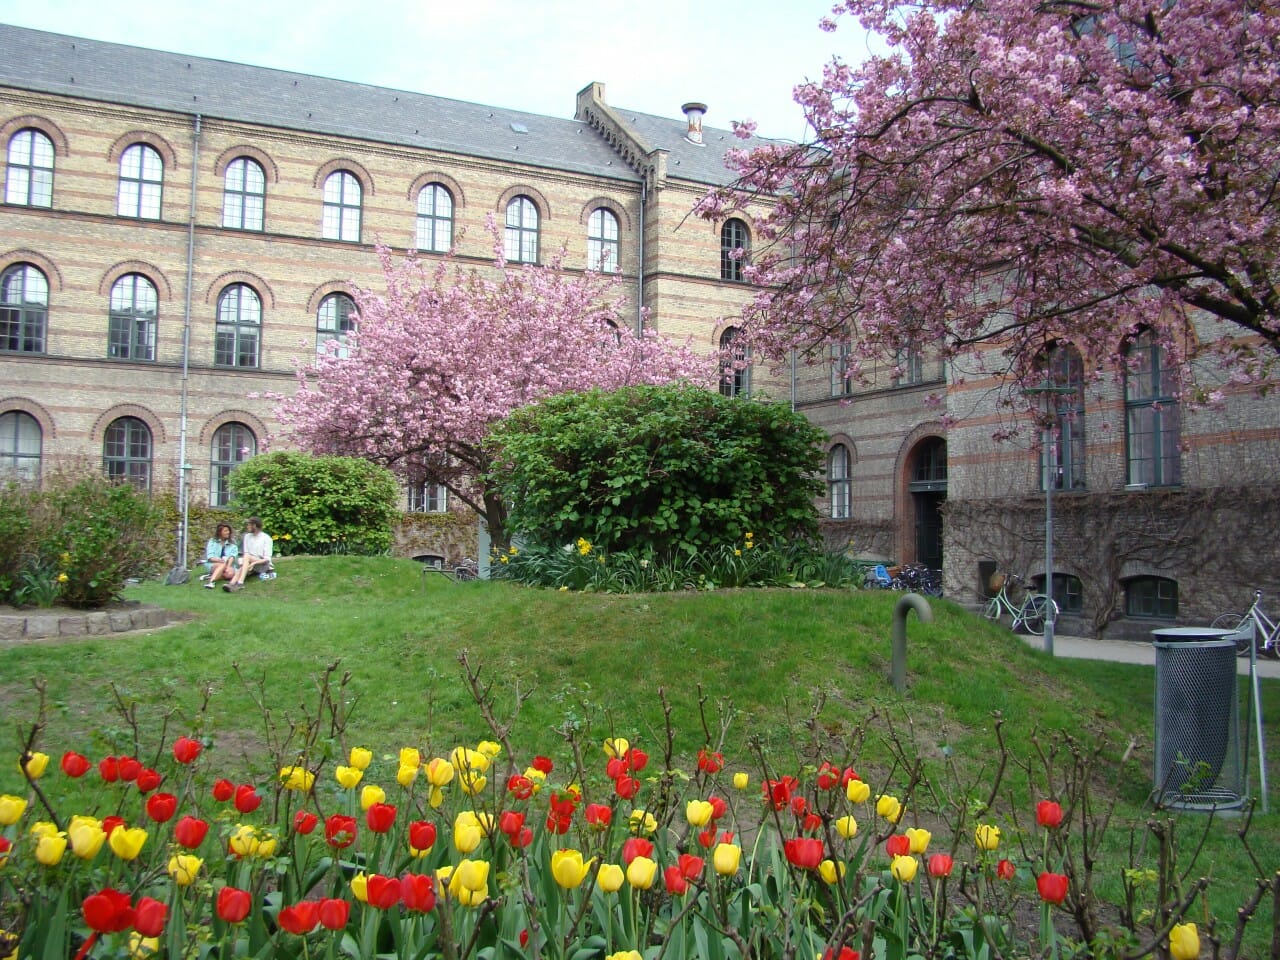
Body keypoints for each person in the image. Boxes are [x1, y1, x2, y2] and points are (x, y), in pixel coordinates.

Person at [223, 517, 273, 592]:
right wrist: (247, 563)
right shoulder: (247, 537)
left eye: (249, 525)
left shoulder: (266, 538)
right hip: (248, 562)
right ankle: (232, 584)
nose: (247, 527)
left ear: (255, 525)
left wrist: (253, 563)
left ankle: (240, 583)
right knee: (243, 565)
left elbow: (267, 559)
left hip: (263, 564)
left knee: (247, 557)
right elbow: (246, 552)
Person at [202, 523, 239, 589]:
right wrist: (222, 561)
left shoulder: (232, 543)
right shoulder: (213, 541)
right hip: (213, 563)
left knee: (230, 574)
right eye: (225, 531)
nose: (228, 532)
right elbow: (210, 557)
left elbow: (232, 557)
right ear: (219, 532)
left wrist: (228, 567)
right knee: (222, 565)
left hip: (228, 564)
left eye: (228, 531)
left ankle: (213, 575)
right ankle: (211, 582)